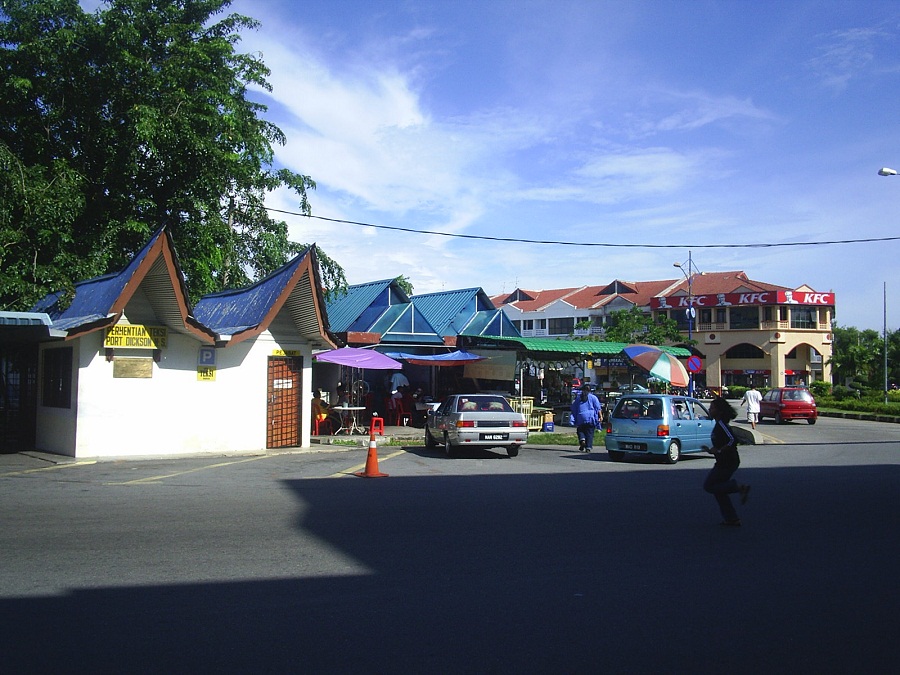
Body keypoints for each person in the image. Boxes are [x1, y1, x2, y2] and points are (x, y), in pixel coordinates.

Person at [703, 397, 751, 527]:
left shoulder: (722, 425)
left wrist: (719, 450)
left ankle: (739, 487)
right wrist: (712, 451)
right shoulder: (718, 425)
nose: (710, 410)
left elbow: (732, 440)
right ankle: (732, 518)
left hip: (728, 461)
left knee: (709, 486)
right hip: (722, 461)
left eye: (712, 408)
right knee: (719, 491)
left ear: (719, 411)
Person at [570, 383, 602, 453]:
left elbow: (574, 408)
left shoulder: (578, 398)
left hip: (580, 417)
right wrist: (600, 416)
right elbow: (598, 408)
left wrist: (573, 418)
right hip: (590, 417)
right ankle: (588, 447)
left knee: (580, 430)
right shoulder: (593, 398)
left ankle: (582, 440)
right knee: (590, 433)